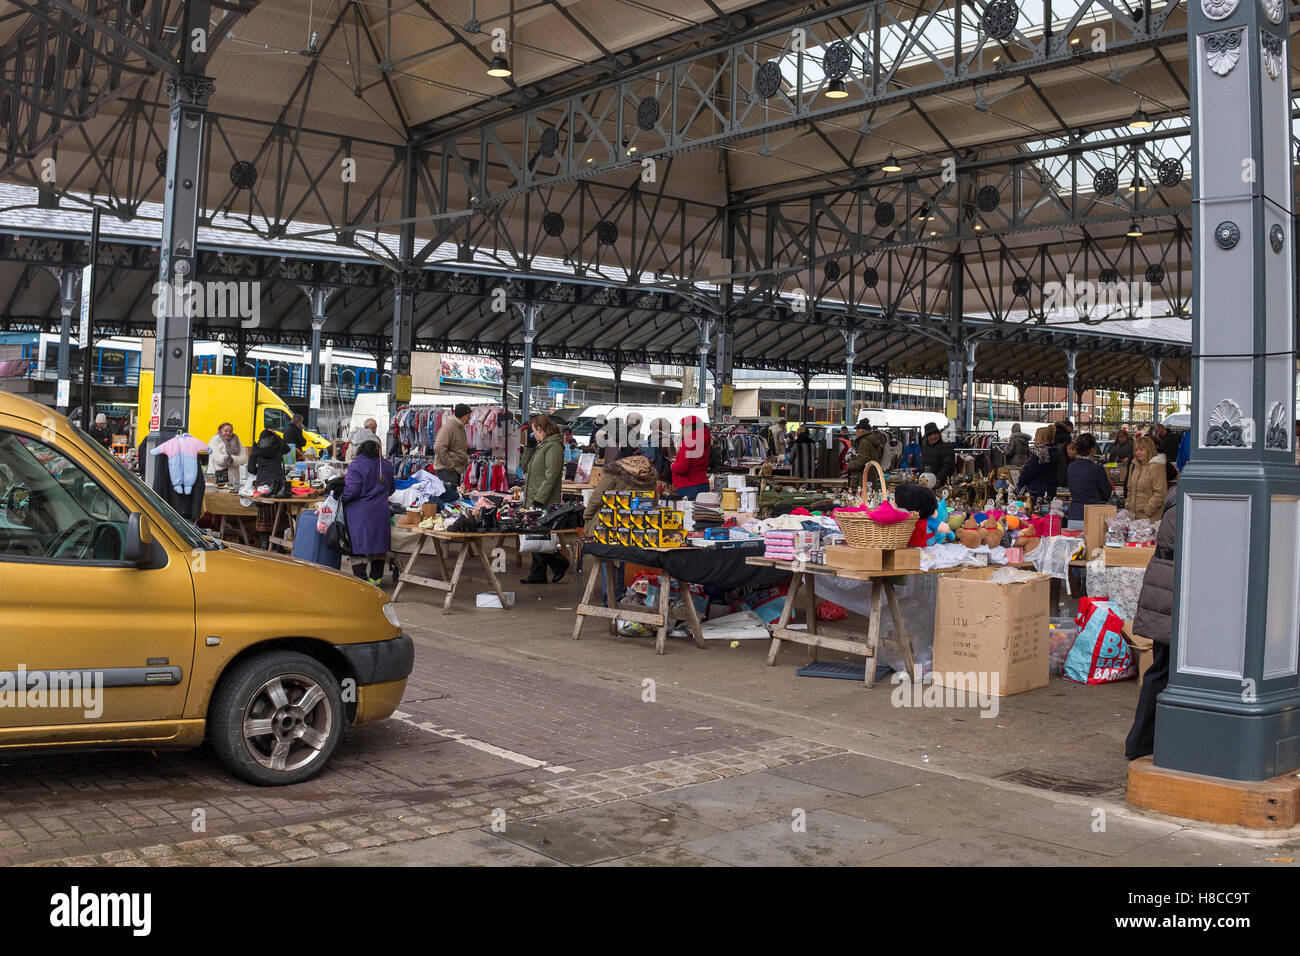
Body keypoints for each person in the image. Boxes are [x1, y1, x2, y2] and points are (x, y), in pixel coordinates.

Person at [1125, 487, 1178, 760]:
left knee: (1162, 668)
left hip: (1165, 586)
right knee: (1164, 669)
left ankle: (1141, 742)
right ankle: (1141, 743)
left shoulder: (1178, 494)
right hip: (1172, 590)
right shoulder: (1197, 497)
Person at [519, 414, 569, 584]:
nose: (533, 435)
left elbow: (552, 475)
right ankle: (538, 573)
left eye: (534, 431)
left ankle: (559, 563)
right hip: (534, 495)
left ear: (540, 429)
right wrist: (529, 447)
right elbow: (525, 468)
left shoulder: (554, 446)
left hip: (543, 498)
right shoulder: (542, 445)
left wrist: (539, 499)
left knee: (540, 535)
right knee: (535, 534)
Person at [342, 438, 396, 586]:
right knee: (379, 546)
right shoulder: (387, 465)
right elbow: (391, 489)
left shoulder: (356, 466)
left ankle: (361, 581)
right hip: (381, 512)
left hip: (359, 513)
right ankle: (375, 580)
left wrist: (343, 498)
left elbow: (351, 491)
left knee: (358, 547)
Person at [582, 446, 656, 536]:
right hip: (641, 527)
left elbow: (597, 498)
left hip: (609, 526)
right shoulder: (649, 474)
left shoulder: (614, 472)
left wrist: (587, 516)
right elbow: (654, 501)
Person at [1065, 433, 1113, 529]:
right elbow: (1106, 493)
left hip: (1074, 515)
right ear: (1092, 450)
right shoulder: (1097, 469)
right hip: (1093, 514)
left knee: (1075, 543)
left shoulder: (1070, 467)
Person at [1125, 435, 1168, 523]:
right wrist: (1128, 505)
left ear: (1149, 449)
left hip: (1150, 518)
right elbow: (1129, 488)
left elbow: (1161, 493)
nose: (1138, 453)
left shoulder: (1156, 467)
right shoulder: (1133, 466)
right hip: (1133, 517)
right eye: (1136, 450)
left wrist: (1148, 509)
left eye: (1141, 449)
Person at [670, 416, 711, 500]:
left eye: (682, 427)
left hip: (688, 486)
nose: (681, 431)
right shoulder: (703, 440)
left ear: (689, 427)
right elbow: (704, 464)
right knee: (701, 512)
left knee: (686, 512)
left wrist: (673, 465)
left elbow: (682, 468)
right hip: (702, 483)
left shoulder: (689, 441)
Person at [1015, 425, 1060, 501]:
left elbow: (1028, 471)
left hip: (1036, 491)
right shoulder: (1055, 451)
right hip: (1051, 489)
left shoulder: (1040, 452)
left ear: (1042, 438)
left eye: (1036, 436)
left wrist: (1019, 484)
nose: (1034, 439)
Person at [433, 403, 471, 490]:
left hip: (454, 469)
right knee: (450, 498)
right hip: (447, 470)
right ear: (462, 416)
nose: (470, 418)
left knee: (453, 498)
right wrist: (450, 465)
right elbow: (439, 448)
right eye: (468, 416)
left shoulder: (460, 427)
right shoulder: (449, 427)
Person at [249, 428, 290, 497]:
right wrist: (277, 436)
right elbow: (287, 449)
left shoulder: (256, 449)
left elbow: (251, 469)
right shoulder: (278, 446)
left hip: (262, 483)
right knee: (279, 503)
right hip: (278, 483)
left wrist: (260, 471)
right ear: (272, 438)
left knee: (263, 505)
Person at [846, 418, 886, 489]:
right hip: (871, 475)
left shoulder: (864, 441)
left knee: (862, 497)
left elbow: (863, 459)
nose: (856, 432)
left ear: (862, 431)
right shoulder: (873, 440)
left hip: (863, 477)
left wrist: (849, 465)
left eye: (857, 430)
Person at [919, 422, 954, 488]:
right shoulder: (925, 446)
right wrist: (921, 478)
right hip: (926, 484)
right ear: (927, 436)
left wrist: (936, 481)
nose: (933, 436)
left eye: (935, 433)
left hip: (940, 485)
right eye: (930, 435)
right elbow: (923, 464)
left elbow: (949, 467)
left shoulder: (946, 446)